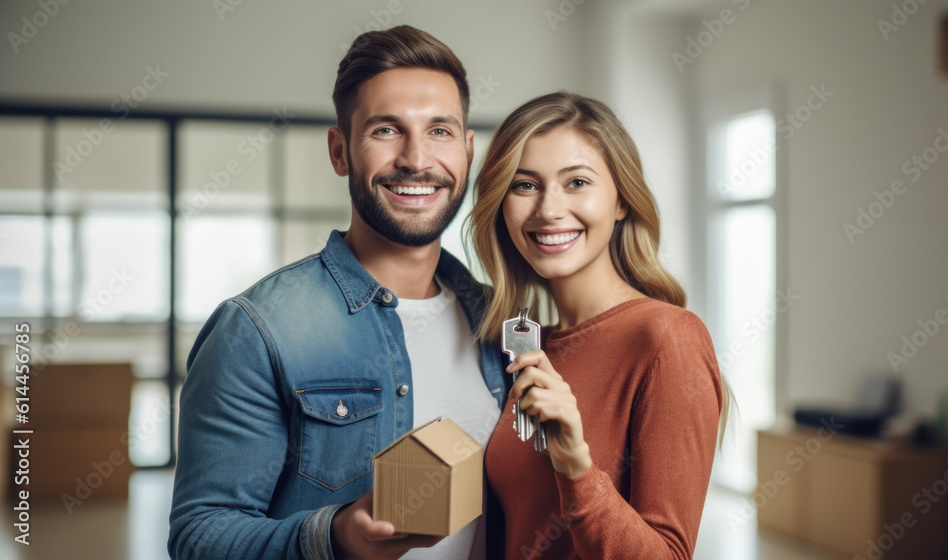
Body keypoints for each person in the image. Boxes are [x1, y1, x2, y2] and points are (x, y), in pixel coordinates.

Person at [169, 26, 509, 560]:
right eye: (386, 130)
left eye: (440, 131)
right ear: (339, 150)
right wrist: (336, 537)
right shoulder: (258, 329)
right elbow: (201, 537)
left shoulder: (500, 322)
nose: (417, 159)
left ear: (467, 151)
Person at [469, 92, 733, 559]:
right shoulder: (522, 344)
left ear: (621, 202)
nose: (548, 209)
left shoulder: (666, 338)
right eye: (525, 185)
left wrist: (575, 463)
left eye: (576, 182)